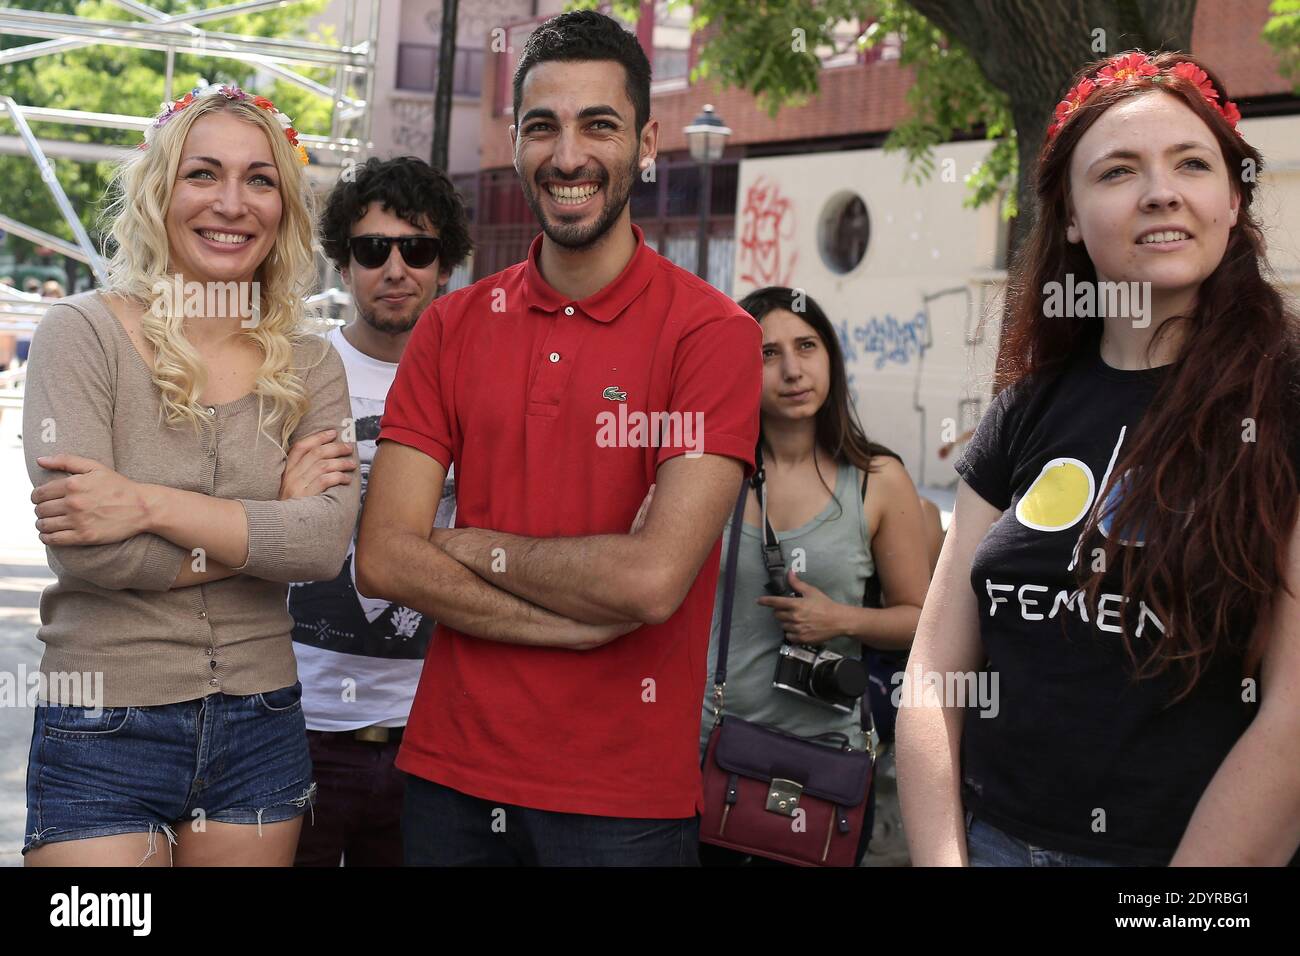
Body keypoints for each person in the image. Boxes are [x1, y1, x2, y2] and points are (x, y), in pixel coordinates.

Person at [355, 9, 762, 866]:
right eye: (543, 125)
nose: (568, 155)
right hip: (449, 778)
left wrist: (458, 544)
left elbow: (650, 581)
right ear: (515, 141)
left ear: (647, 143)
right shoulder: (452, 324)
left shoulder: (712, 335)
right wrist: (570, 621)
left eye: (599, 126)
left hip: (624, 802)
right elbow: (384, 559)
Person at [897, 51, 1300, 867]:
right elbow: (936, 672)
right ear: (1072, 217)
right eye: (1118, 170)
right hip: (989, 845)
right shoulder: (1026, 408)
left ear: (1232, 198)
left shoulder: (1285, 403)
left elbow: (1292, 716)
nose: (1160, 190)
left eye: (1192, 162)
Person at [21, 84, 360, 866]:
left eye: (260, 179)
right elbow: (91, 553)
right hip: (102, 718)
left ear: (285, 206)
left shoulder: (312, 364)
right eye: (203, 174)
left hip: (260, 720)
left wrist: (142, 502)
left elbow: (318, 549)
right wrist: (263, 524)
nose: (232, 203)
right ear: (160, 191)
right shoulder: (81, 335)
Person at [696, 286, 932, 867]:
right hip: (708, 754)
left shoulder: (877, 479)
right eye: (767, 353)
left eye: (807, 346)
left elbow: (922, 621)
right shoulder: (707, 470)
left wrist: (840, 620)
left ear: (831, 357)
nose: (793, 369)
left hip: (824, 768)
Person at [290, 156, 471, 867]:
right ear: (343, 265)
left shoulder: (474, 383)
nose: (395, 268)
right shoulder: (295, 375)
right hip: (295, 727)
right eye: (372, 249)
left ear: (445, 265)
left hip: (429, 740)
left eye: (417, 249)